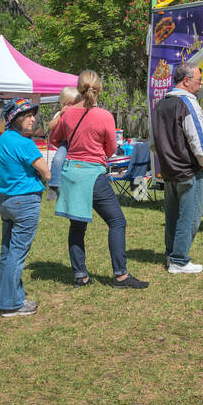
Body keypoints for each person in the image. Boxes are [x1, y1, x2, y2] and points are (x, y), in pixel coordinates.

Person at [52, 70, 148, 289]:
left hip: (72, 174)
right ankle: (121, 276)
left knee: (77, 225)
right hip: (93, 174)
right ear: (99, 90)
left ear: (79, 88)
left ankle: (80, 275)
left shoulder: (67, 114)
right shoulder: (104, 115)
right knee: (117, 221)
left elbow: (55, 139)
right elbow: (112, 147)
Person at [150, 63, 203, 274]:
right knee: (190, 217)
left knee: (173, 216)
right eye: (198, 79)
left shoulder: (160, 105)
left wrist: (167, 160)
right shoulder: (187, 103)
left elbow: (153, 142)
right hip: (189, 170)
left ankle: (171, 254)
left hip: (169, 171)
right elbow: (197, 137)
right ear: (186, 81)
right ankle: (179, 259)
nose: (201, 83)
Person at [0, 98, 50, 316]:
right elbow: (47, 172)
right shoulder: (25, 144)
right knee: (17, 253)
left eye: (33, 115)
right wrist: (41, 180)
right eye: (27, 115)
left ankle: (11, 296)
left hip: (6, 201)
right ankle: (10, 304)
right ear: (15, 119)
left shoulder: (0, 143)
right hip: (25, 202)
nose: (32, 119)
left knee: (7, 251)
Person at [45, 85, 80, 194]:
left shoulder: (80, 113)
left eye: (74, 104)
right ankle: (54, 185)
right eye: (69, 104)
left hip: (78, 142)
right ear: (64, 103)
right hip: (65, 143)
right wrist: (60, 114)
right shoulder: (59, 114)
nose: (72, 106)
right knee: (58, 159)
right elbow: (50, 127)